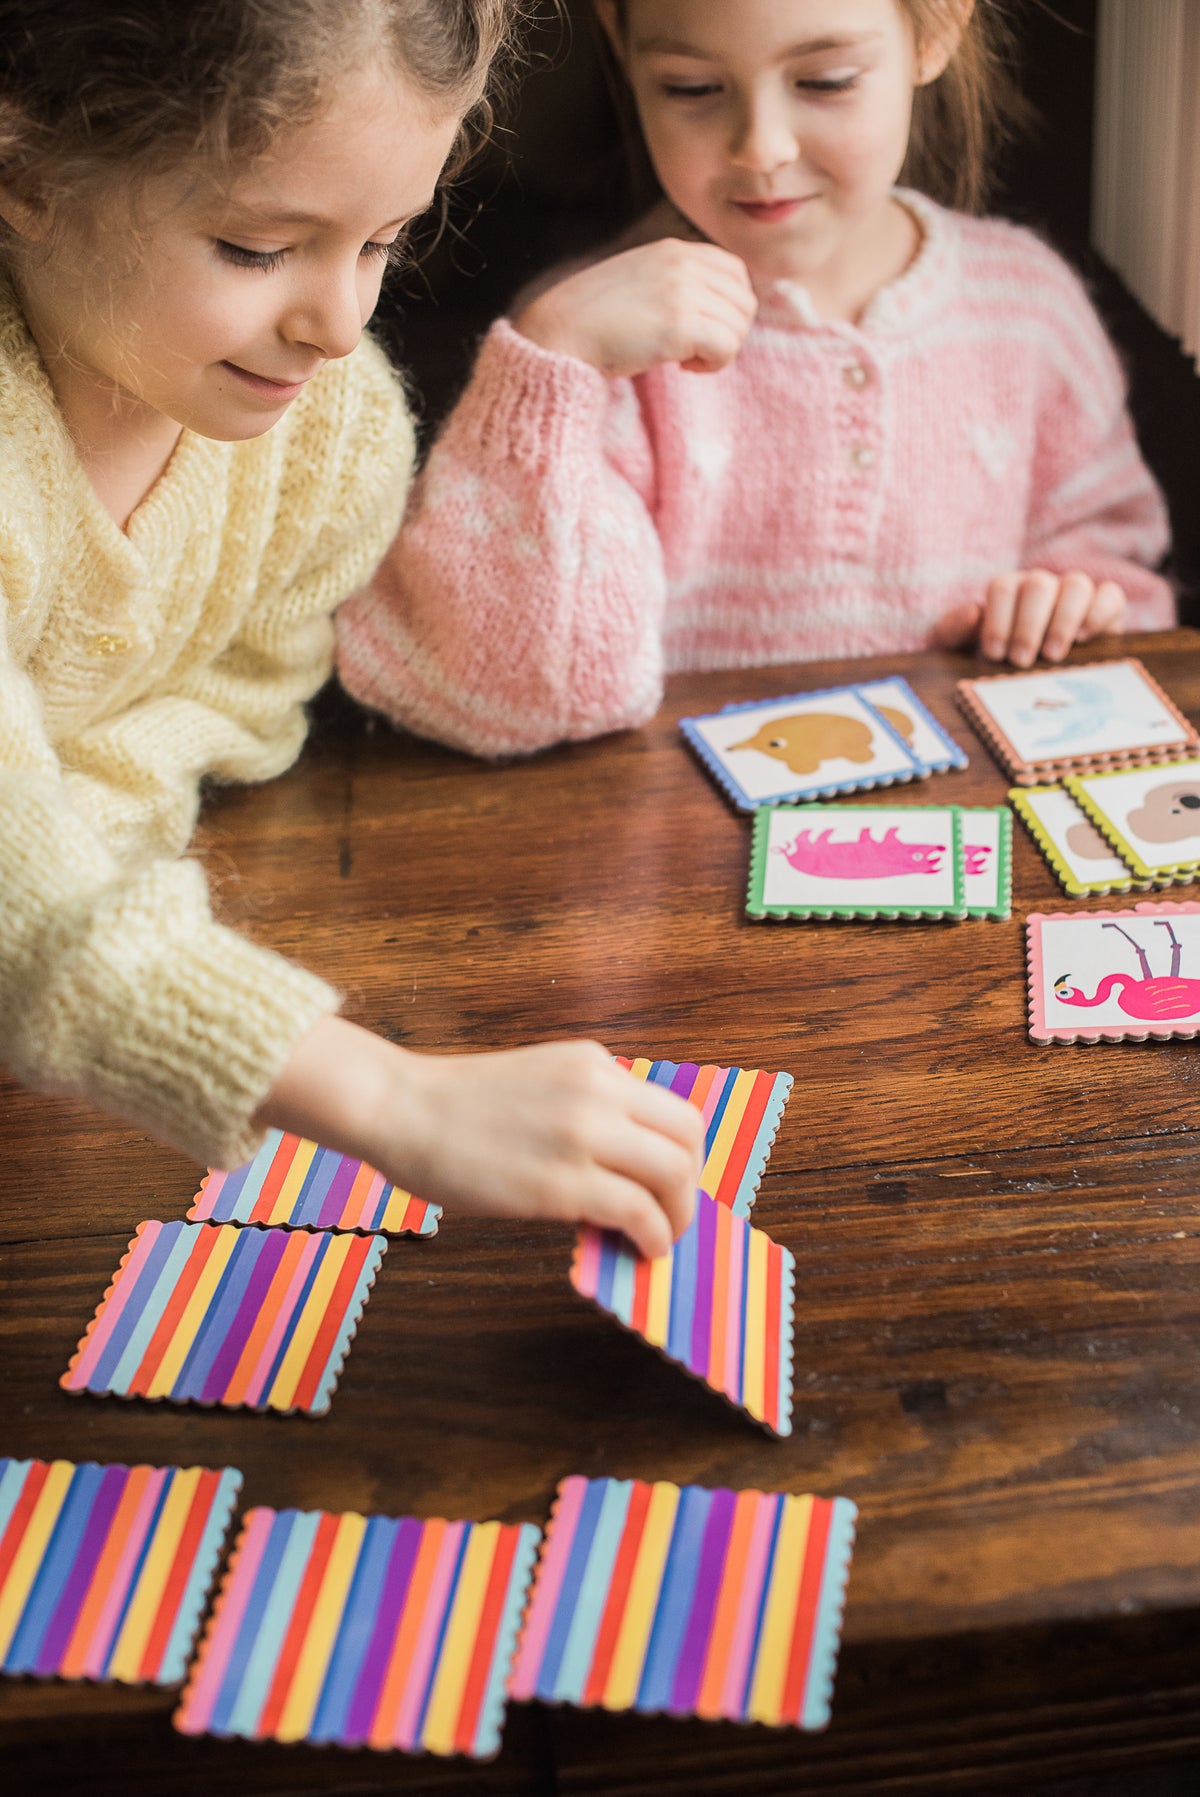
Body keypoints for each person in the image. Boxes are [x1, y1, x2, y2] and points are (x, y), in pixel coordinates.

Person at [0, 0, 702, 1260]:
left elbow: (246, 700)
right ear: (24, 169)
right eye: (258, 247)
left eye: (382, 242)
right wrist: (394, 1097)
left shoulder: (328, 436)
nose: (336, 323)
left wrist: (61, 837)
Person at [338, 0, 1176, 759]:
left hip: (961, 843)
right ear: (619, 46)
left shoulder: (1028, 307)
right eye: (693, 88)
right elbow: (494, 692)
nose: (761, 147)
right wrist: (550, 364)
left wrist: (1073, 601)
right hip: (674, 866)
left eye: (825, 80)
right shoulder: (591, 352)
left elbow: (1120, 575)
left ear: (936, 31)